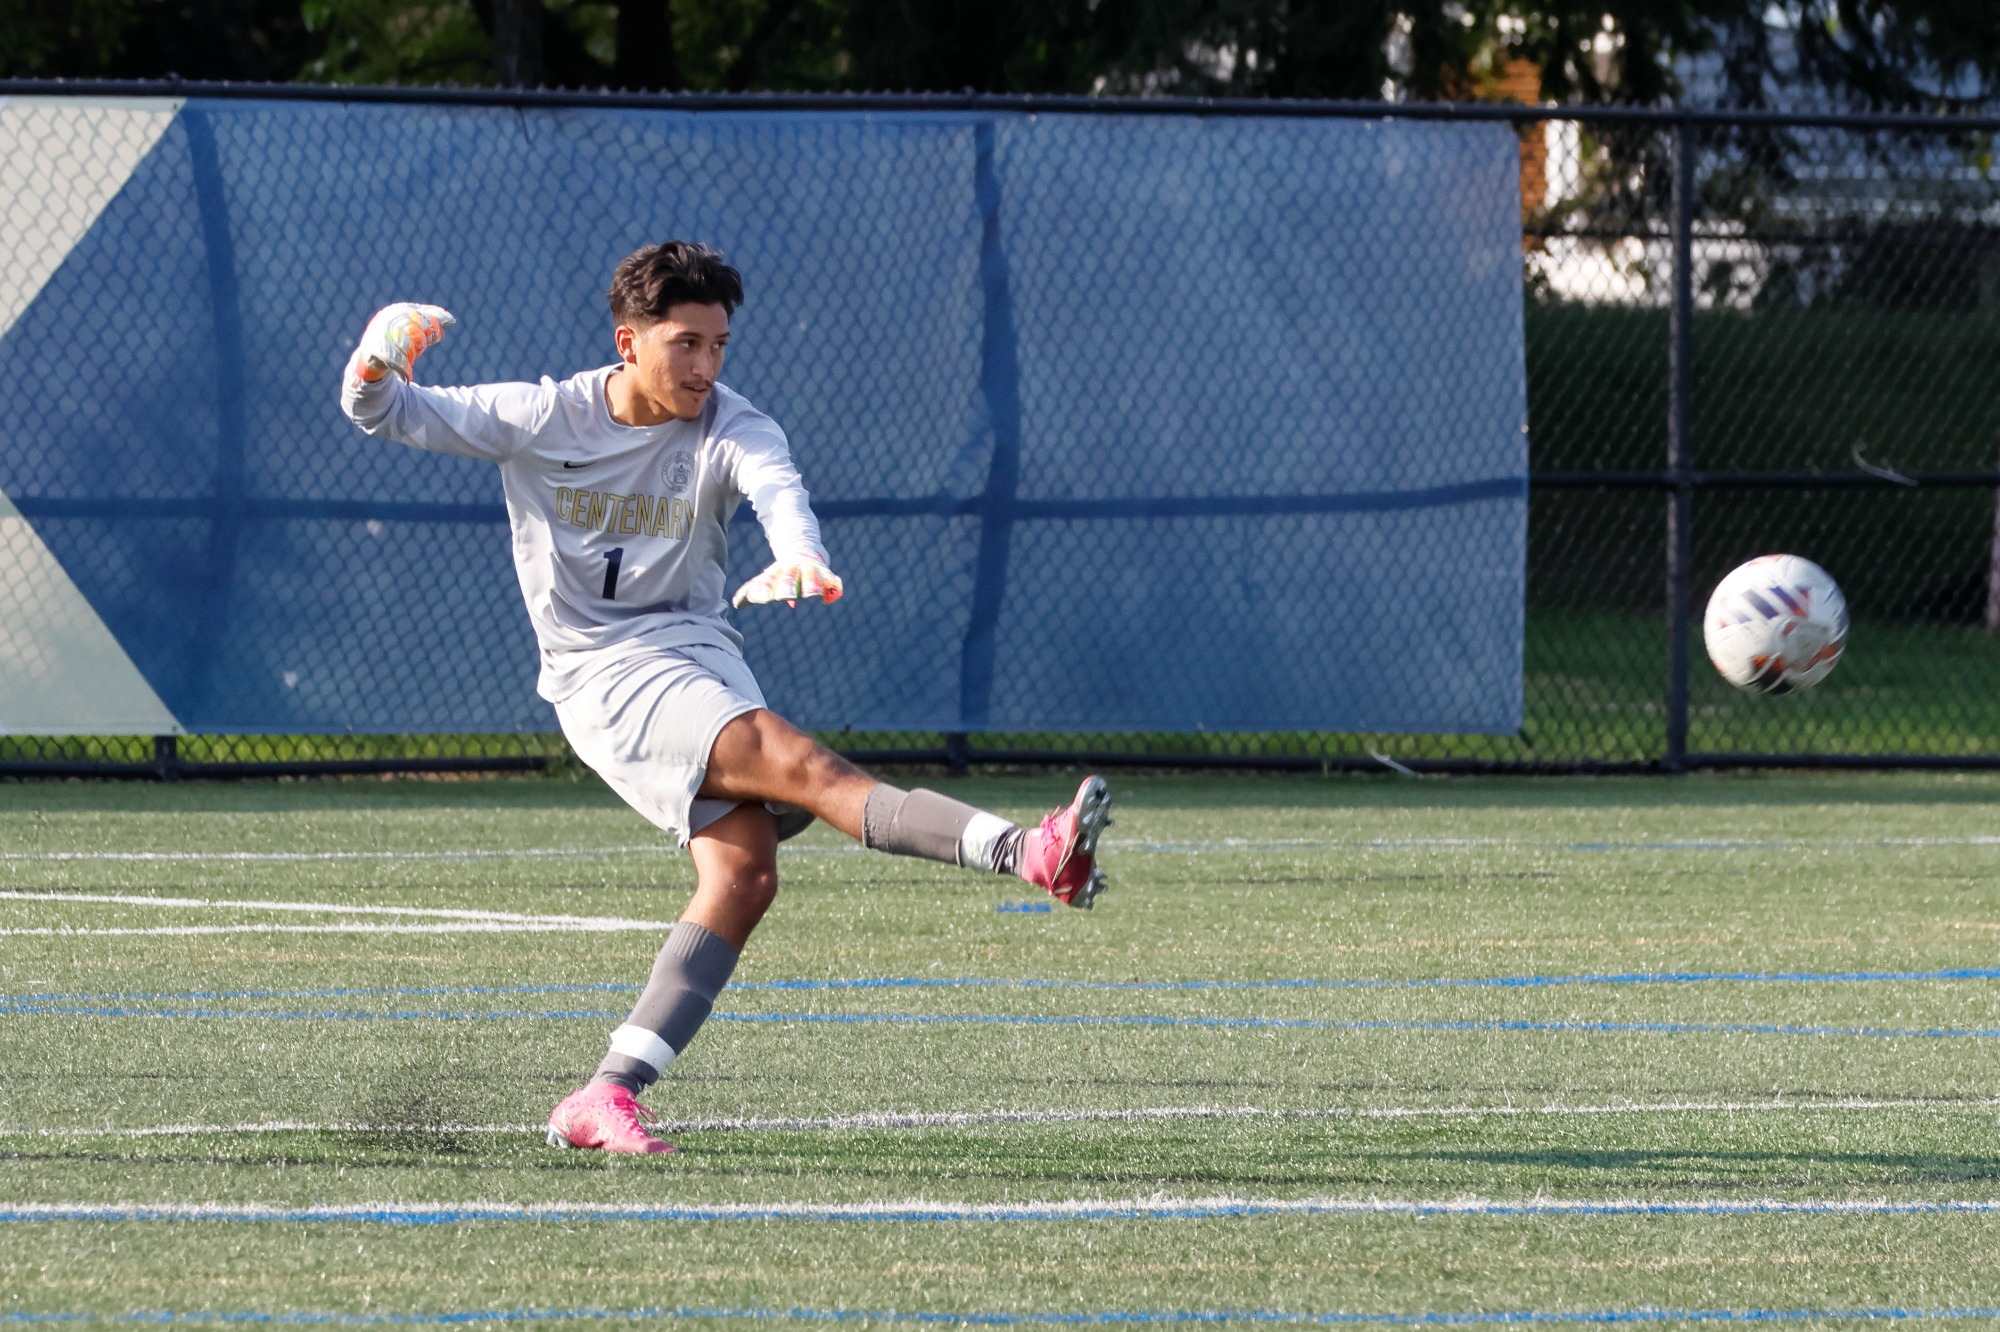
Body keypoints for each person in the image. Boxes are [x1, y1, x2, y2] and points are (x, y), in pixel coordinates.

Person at [339, 241, 1111, 1156]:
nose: (705, 367)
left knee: (743, 876)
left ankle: (603, 1094)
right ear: (629, 343)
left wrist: (800, 554)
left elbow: (777, 491)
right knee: (802, 763)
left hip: (699, 653)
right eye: (685, 345)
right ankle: (1029, 852)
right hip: (605, 674)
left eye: (719, 345)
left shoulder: (734, 424)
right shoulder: (543, 415)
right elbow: (381, 409)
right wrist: (378, 355)